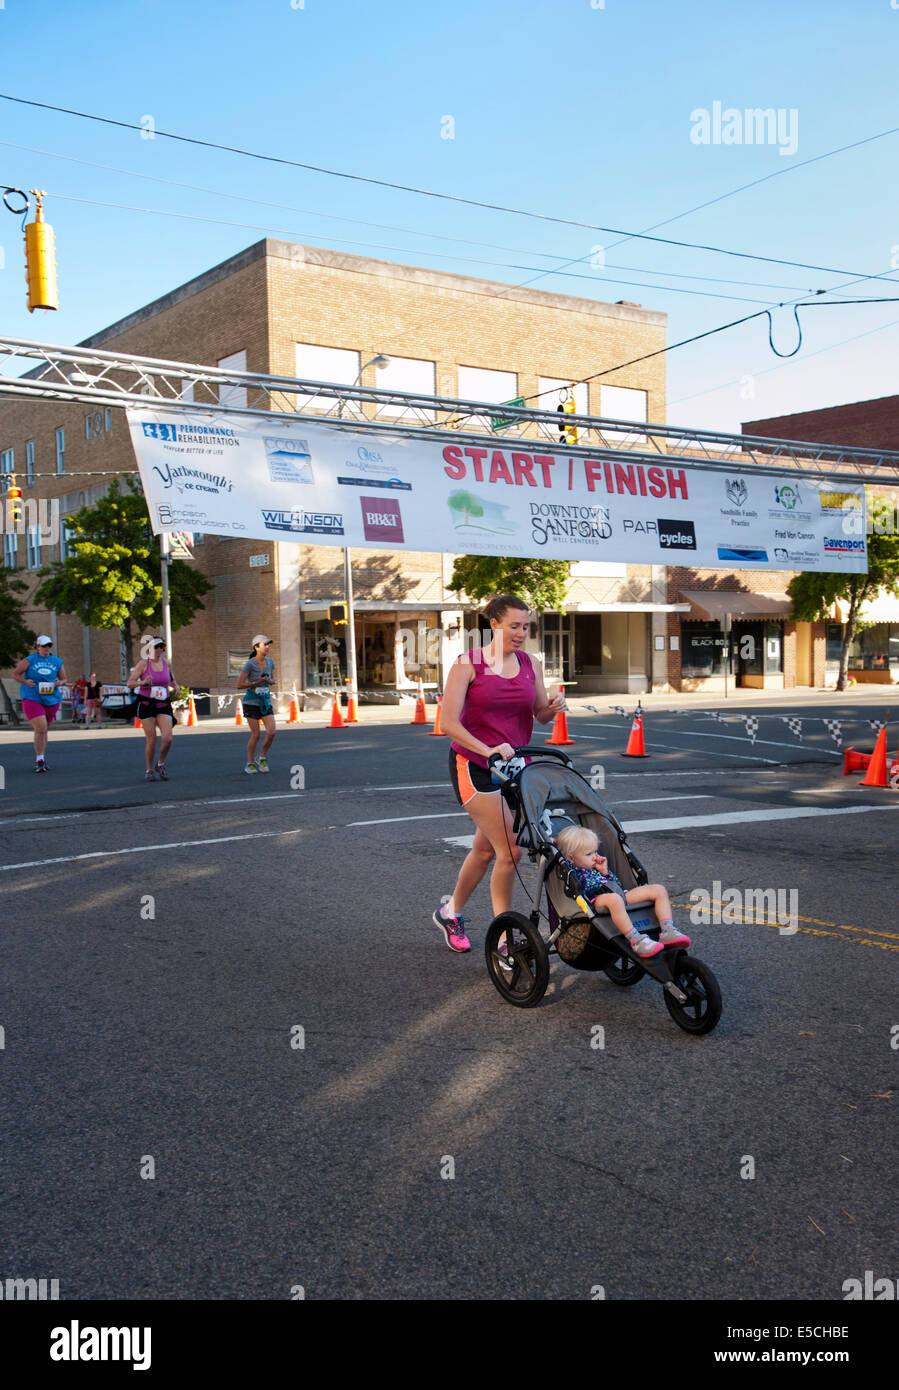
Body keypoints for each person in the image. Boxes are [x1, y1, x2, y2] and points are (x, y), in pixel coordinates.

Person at [434, 594, 567, 952]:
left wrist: (553, 708)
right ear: (494, 625)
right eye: (514, 626)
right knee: (511, 852)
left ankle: (451, 912)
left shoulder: (530, 664)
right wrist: (487, 749)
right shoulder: (468, 664)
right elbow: (447, 722)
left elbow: (539, 713)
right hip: (473, 765)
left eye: (526, 626)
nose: (521, 633)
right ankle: (506, 936)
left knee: (484, 851)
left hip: (514, 768)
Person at [554, 824, 691, 958]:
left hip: (619, 894)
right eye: (589, 854)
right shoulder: (573, 869)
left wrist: (605, 872)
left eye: (595, 851)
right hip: (597, 899)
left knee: (658, 890)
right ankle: (636, 939)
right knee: (615, 899)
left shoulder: (594, 867)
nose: (595, 856)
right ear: (571, 858)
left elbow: (616, 884)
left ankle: (668, 930)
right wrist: (555, 844)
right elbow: (562, 855)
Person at [127, 638, 178, 782]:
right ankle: (149, 769)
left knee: (168, 738)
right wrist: (143, 682)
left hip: (163, 704)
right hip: (146, 704)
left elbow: (171, 679)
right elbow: (130, 683)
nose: (160, 650)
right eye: (157, 647)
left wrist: (177, 687)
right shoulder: (143, 664)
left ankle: (160, 763)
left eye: (162, 647)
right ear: (150, 648)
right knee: (152, 740)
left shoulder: (166, 663)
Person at [13, 635, 66, 773]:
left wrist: (57, 683)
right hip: (32, 696)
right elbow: (16, 674)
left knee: (44, 730)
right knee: (41, 728)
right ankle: (39, 759)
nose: (47, 648)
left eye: (49, 645)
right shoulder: (29, 660)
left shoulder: (56, 661)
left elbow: (64, 679)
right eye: (44, 646)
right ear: (37, 647)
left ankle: (42, 756)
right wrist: (26, 682)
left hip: (51, 698)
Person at [237, 635, 276, 774]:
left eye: (268, 644)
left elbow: (272, 678)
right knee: (256, 734)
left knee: (271, 732)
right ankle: (250, 763)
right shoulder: (249, 664)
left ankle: (262, 757)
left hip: (265, 701)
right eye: (264, 644)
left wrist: (271, 681)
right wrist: (256, 682)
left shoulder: (270, 662)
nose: (267, 647)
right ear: (256, 647)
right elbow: (239, 685)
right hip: (251, 701)